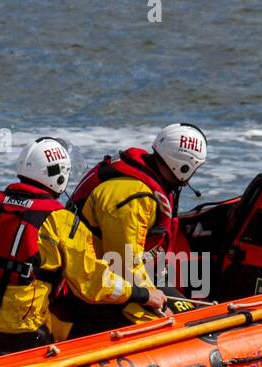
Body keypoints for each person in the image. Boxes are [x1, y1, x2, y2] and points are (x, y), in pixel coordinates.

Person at [0, 137, 166, 359]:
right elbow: (92, 284)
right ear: (60, 176)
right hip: (24, 339)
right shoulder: (62, 222)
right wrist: (142, 294)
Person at [67, 122, 208, 334]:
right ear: (184, 167)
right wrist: (157, 305)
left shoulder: (143, 180)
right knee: (184, 322)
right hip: (95, 284)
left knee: (188, 308)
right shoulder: (133, 198)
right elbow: (123, 264)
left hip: (114, 277)